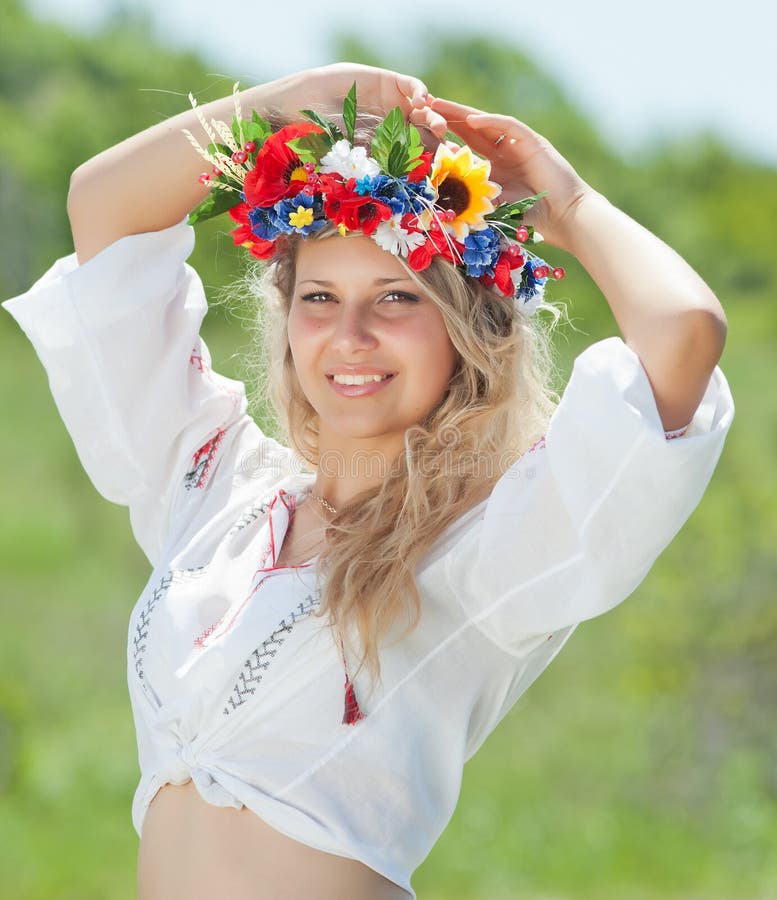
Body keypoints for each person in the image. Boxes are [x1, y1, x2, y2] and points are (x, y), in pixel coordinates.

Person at [1, 62, 734, 900]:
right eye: (319, 297)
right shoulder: (214, 489)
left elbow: (682, 334)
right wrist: (291, 101)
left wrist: (563, 202)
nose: (349, 336)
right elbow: (103, 213)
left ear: (468, 332)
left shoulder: (483, 554)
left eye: (394, 299)